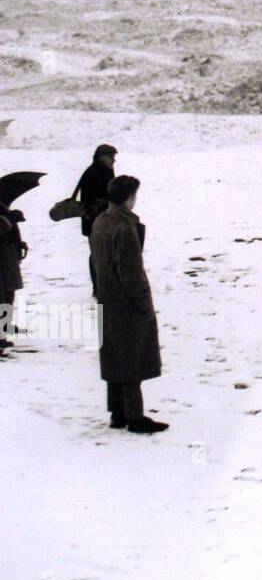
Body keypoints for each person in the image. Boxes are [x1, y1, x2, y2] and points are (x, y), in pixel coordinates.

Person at [90, 175, 167, 433]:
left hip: (107, 297)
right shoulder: (124, 227)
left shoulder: (101, 221)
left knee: (114, 356)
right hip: (126, 301)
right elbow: (131, 273)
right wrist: (143, 301)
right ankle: (135, 416)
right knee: (131, 358)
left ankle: (118, 412)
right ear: (128, 197)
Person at [72, 144, 116, 294]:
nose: (113, 159)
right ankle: (99, 288)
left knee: (104, 253)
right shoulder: (93, 173)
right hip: (95, 220)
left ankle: (103, 286)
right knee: (98, 254)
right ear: (100, 157)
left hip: (103, 219)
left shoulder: (106, 171)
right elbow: (91, 199)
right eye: (110, 156)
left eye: (113, 156)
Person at [0, 203, 28, 349]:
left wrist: (18, 242)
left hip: (7, 254)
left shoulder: (2, 206)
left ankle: (4, 326)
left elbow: (11, 228)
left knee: (9, 292)